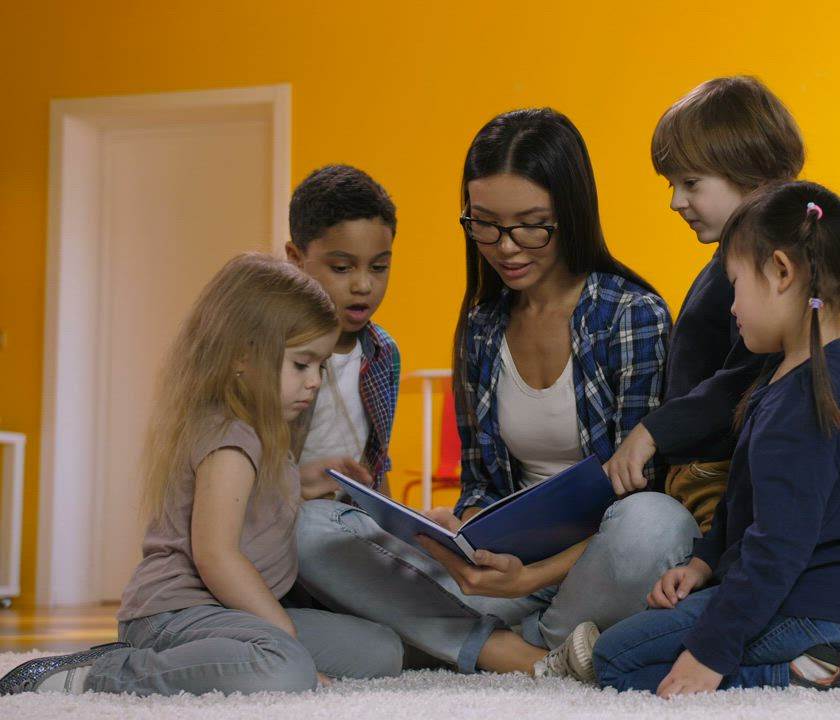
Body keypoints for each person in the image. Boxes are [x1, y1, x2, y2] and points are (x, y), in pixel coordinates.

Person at [296, 108, 699, 677]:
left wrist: (531, 577)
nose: (506, 247)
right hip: (495, 576)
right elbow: (484, 484)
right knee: (313, 530)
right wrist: (459, 527)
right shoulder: (484, 326)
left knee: (657, 521)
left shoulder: (631, 316)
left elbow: (642, 493)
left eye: (531, 225)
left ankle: (485, 646)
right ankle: (536, 656)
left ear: (571, 214)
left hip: (590, 569)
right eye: (484, 224)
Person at [604, 76, 840, 668]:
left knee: (781, 614)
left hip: (731, 479)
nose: (676, 200)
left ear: (756, 183)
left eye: (691, 183)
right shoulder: (736, 276)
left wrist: (657, 430)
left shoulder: (774, 315)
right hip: (723, 490)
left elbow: (738, 386)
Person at [0, 254, 402, 696]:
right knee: (284, 669)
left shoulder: (261, 431)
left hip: (231, 615)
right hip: (176, 614)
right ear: (242, 358)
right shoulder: (229, 438)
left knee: (381, 649)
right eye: (301, 365)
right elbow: (217, 557)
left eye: (320, 367)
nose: (314, 382)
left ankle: (260, 651)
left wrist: (310, 480)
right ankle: (102, 673)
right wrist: (284, 633)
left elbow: (254, 501)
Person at [588, 181, 840, 694]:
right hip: (808, 601)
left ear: (781, 272)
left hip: (806, 609)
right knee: (626, 649)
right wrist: (703, 563)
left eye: (735, 287)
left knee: (616, 659)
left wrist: (710, 654)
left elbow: (777, 549)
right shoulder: (792, 373)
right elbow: (743, 504)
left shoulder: (805, 401)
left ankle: (811, 675)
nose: (731, 308)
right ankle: (812, 662)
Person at [285, 164, 400, 493]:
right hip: (282, 528)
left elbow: (376, 464)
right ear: (295, 258)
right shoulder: (274, 350)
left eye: (379, 267)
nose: (363, 285)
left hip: (350, 525)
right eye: (341, 267)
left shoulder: (383, 353)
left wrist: (397, 535)